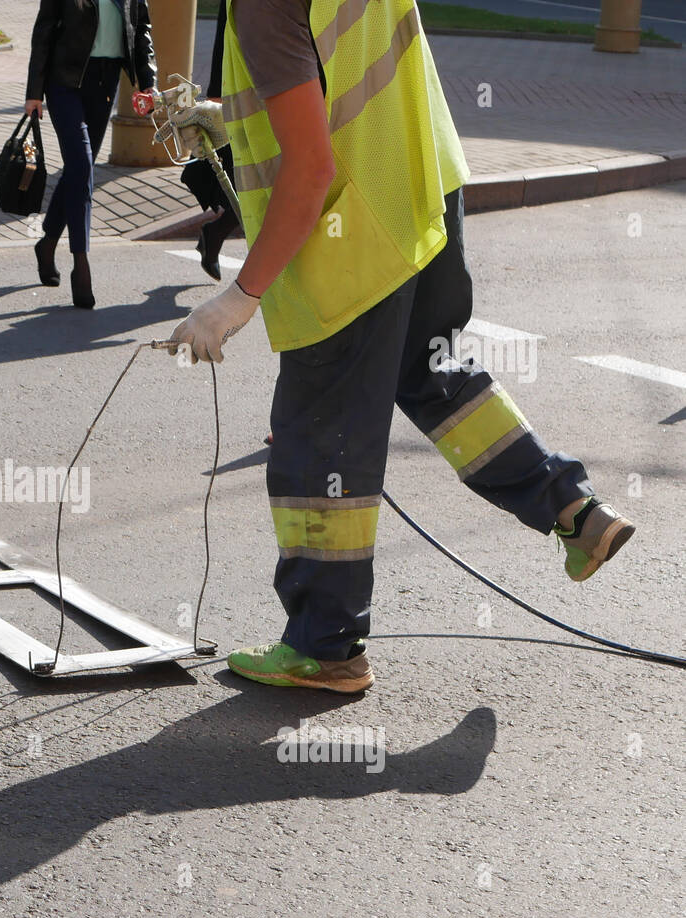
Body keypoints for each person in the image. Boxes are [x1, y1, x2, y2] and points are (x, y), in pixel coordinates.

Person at [166, 0, 634, 693]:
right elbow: (340, 76)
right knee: (432, 373)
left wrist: (241, 296)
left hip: (353, 236)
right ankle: (572, 508)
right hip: (425, 196)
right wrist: (230, 113)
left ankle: (325, 647)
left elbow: (311, 169)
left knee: (317, 441)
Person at [25, 0, 157, 309]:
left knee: (77, 171)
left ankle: (47, 244)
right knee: (82, 166)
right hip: (64, 82)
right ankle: (80, 264)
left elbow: (141, 31)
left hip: (105, 81)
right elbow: (43, 31)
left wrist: (149, 83)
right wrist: (34, 92)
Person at [179, 0, 239, 280]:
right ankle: (214, 234)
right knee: (251, 184)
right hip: (245, 90)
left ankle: (214, 234)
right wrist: (216, 91)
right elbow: (226, 24)